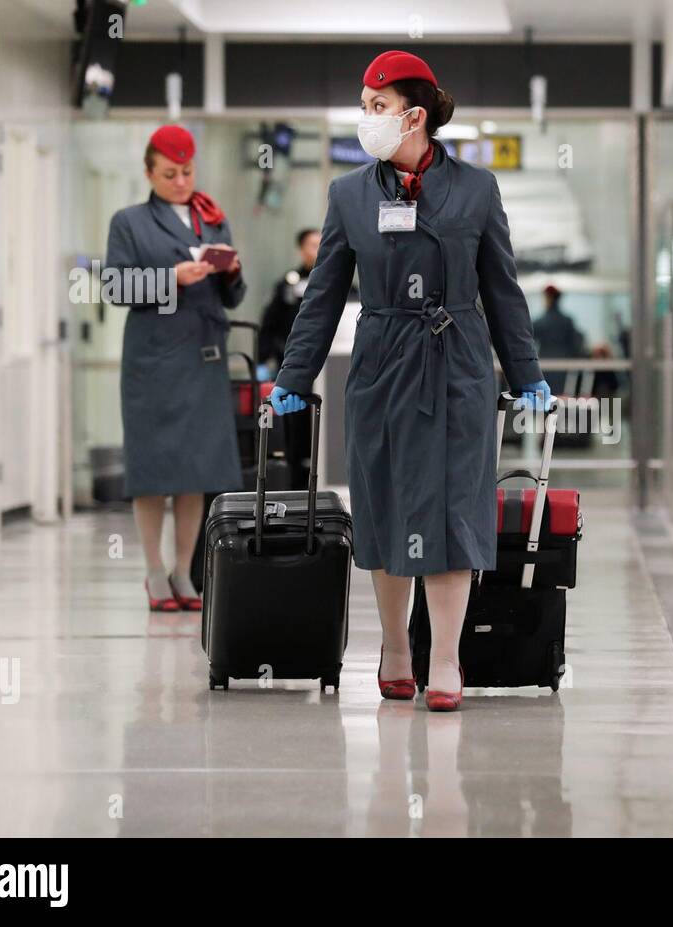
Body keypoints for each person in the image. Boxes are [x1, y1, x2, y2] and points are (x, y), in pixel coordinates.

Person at [267, 50, 551, 711]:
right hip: (382, 364)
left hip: (457, 366)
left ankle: (446, 657)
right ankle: (396, 646)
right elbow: (323, 296)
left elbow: (502, 290)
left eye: (377, 107)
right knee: (388, 508)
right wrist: (294, 373)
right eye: (364, 106)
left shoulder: (478, 190)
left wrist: (528, 372)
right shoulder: (349, 194)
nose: (367, 118)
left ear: (414, 115)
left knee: (456, 513)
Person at [105, 124, 246, 612]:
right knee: (153, 472)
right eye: (170, 174)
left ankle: (184, 573)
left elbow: (234, 297)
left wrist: (232, 272)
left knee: (196, 470)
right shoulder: (130, 222)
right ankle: (152, 572)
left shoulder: (211, 218)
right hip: (154, 361)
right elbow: (117, 288)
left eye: (187, 172)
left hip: (203, 356)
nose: (181, 182)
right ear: (149, 173)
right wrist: (171, 278)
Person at [258, 228, 328, 486]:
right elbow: (269, 325)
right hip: (294, 371)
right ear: (301, 249)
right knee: (295, 434)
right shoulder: (287, 285)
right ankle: (296, 488)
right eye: (312, 245)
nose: (318, 250)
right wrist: (262, 361)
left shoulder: (344, 285)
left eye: (323, 244)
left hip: (331, 373)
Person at [532, 284, 587, 394]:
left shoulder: (540, 322)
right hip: (564, 367)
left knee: (547, 401)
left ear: (549, 298)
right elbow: (576, 345)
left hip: (545, 367)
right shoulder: (567, 321)